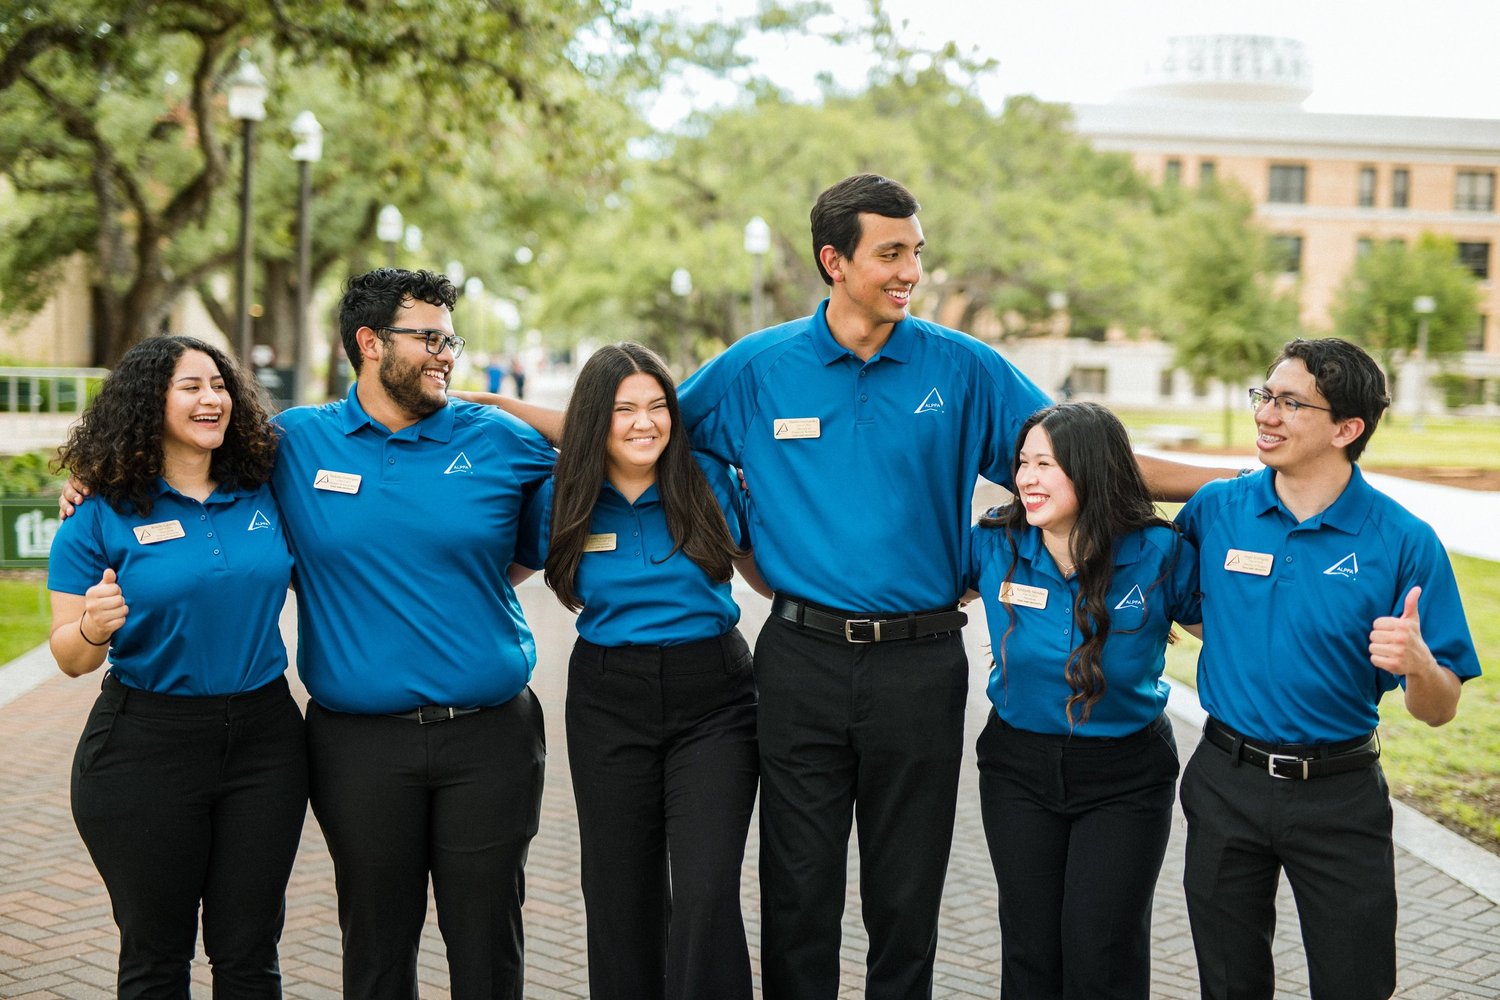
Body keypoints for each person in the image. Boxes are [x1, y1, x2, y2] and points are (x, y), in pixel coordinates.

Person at [462, 173, 1223, 999]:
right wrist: (480, 404)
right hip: (800, 659)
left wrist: (1245, 480)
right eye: (890, 253)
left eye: (916, 253)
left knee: (906, 896)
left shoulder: (964, 370)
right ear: (834, 260)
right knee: (799, 890)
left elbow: (1094, 458)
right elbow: (637, 423)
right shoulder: (759, 368)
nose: (910, 271)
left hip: (924, 664)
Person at [272, 268, 555, 1000]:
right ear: (368, 343)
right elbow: (182, 457)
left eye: (449, 339)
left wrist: (489, 395)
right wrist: (86, 485)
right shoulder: (295, 444)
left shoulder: (495, 438)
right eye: (427, 337)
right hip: (359, 746)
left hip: (489, 739)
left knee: (489, 947)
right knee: (375, 948)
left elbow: (613, 431)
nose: (445, 354)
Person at [1176, 337, 1481, 1000]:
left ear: (1348, 428)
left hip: (1339, 798)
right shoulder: (1217, 511)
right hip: (1225, 783)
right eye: (1265, 395)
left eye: (1291, 402)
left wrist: (1419, 663)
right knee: (1228, 984)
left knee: (1356, 982)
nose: (1267, 414)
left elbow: (1440, 707)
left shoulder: (1403, 541)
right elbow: (1183, 608)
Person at [47, 335, 306, 998]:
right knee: (157, 960)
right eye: (190, 386)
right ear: (147, 402)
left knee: (249, 954)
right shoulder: (97, 514)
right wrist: (92, 625)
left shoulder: (265, 488)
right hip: (145, 748)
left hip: (265, 743)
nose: (211, 398)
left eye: (219, 385)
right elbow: (69, 658)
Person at [530, 342, 762, 1000]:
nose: (644, 422)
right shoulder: (561, 493)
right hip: (607, 698)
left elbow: (761, 569)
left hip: (714, 698)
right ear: (594, 418)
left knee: (707, 891)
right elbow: (500, 570)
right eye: (625, 408)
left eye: (658, 406)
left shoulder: (709, 476)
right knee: (617, 890)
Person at [967, 402, 1199, 1000]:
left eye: (1045, 463)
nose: (1026, 478)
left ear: (1092, 470)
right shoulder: (995, 544)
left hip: (1125, 776)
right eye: (1022, 463)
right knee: (1029, 947)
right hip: (1017, 770)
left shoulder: (1160, 552)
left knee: (1102, 950)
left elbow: (1237, 628)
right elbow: (915, 590)